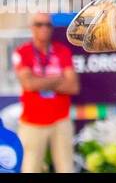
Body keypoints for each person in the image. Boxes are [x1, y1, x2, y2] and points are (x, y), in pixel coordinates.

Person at [13, 13, 78, 173]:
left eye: (48, 25)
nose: (44, 28)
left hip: (61, 119)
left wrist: (39, 80)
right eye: (39, 24)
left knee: (66, 168)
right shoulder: (23, 51)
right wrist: (57, 79)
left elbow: (73, 86)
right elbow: (28, 84)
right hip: (32, 121)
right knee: (30, 169)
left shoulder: (62, 51)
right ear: (32, 27)